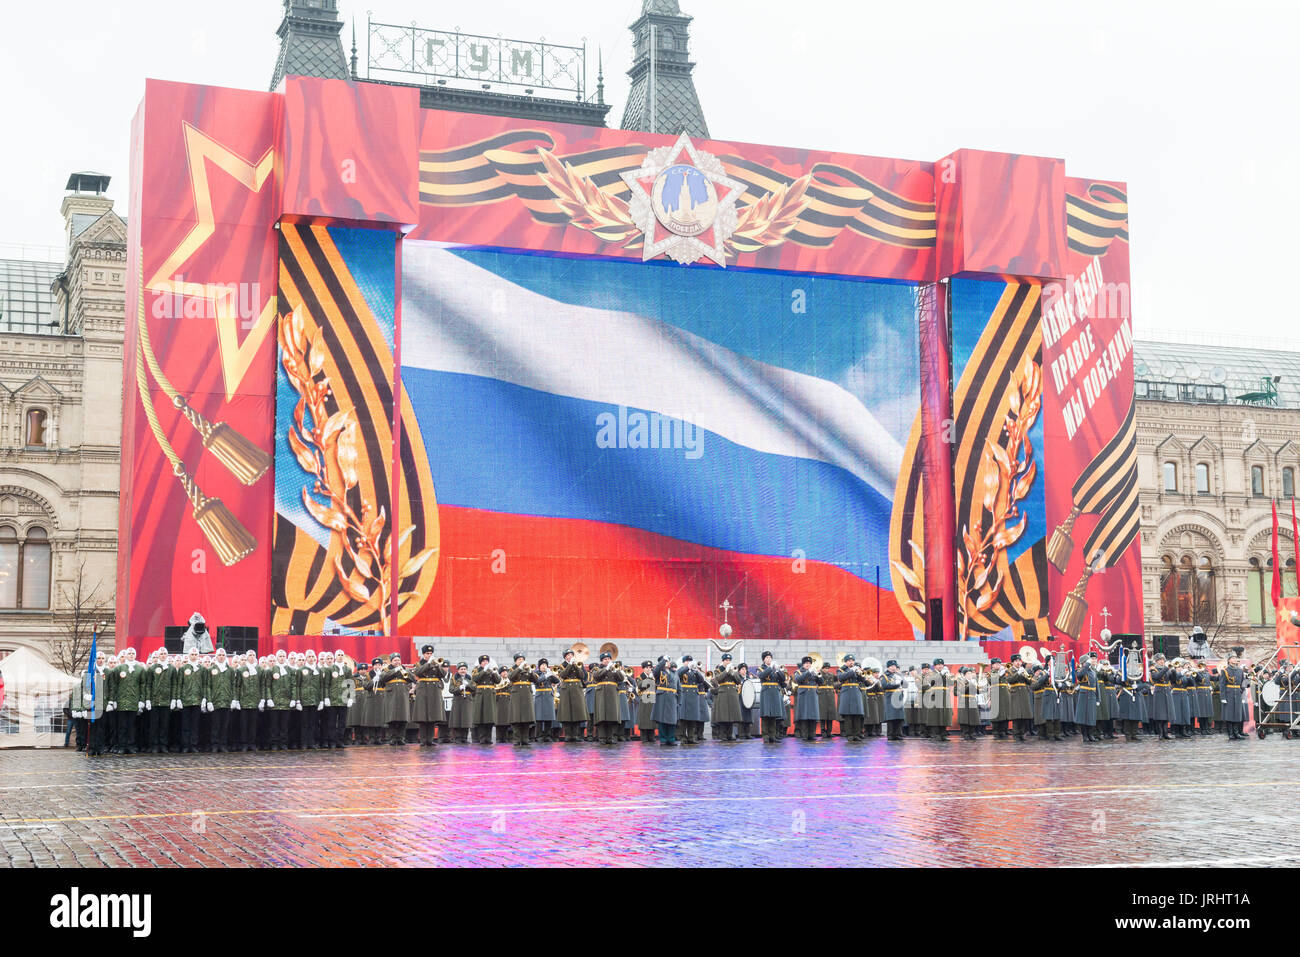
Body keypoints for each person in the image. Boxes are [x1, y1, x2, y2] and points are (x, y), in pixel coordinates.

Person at [411, 645, 446, 747]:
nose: (429, 655)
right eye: (427, 654)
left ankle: (430, 740)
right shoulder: (419, 663)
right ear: (423, 654)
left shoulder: (436, 664)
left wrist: (437, 665)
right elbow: (417, 672)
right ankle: (423, 740)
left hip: (434, 692)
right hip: (423, 691)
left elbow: (443, 674)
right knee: (423, 717)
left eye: (430, 654)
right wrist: (428, 664)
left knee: (432, 717)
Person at [377, 653, 412, 746]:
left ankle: (400, 738)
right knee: (391, 718)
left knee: (403, 718)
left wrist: (403, 671)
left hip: (402, 695)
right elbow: (382, 678)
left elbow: (412, 678)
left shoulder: (405, 669)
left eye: (398, 660)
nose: (397, 662)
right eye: (395, 660)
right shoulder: (386, 669)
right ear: (391, 661)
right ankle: (392, 738)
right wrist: (396, 670)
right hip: (391, 695)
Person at [264, 649, 294, 751]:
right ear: (277, 658)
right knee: (274, 725)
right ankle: (274, 743)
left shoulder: (290, 670)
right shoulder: (271, 670)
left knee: (284, 725)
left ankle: (283, 743)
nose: (281, 658)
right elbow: (267, 686)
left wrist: (293, 699)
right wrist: (269, 698)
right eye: (280, 656)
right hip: (275, 703)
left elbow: (293, 685)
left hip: (286, 702)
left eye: (283, 656)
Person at [208, 648, 237, 752]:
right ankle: (215, 745)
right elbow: (208, 686)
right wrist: (209, 700)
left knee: (225, 725)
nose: (221, 657)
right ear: (216, 656)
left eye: (223, 655)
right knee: (215, 725)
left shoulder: (230, 670)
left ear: (225, 657)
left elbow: (234, 685)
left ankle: (223, 744)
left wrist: (234, 699)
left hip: (226, 701)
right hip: (215, 701)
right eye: (219, 655)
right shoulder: (211, 669)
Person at [590, 652, 622, 745]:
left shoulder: (614, 668)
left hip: (612, 694)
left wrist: (616, 671)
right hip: (601, 694)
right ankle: (602, 737)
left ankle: (611, 737)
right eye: (605, 659)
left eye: (608, 659)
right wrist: (606, 669)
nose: (607, 660)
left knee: (612, 717)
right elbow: (596, 676)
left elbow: (621, 678)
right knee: (602, 717)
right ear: (602, 661)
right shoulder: (598, 668)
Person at [556, 650, 587, 743]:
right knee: (567, 713)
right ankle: (568, 735)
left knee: (577, 713)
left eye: (572, 655)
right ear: (565, 657)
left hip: (577, 689)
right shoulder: (561, 666)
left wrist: (576, 666)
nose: (570, 656)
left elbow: (582, 676)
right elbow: (562, 675)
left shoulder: (578, 665)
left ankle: (576, 734)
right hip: (566, 690)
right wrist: (570, 665)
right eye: (568, 655)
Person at [711, 654, 743, 741]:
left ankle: (730, 734)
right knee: (724, 715)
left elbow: (738, 681)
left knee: (731, 715)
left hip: (732, 693)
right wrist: (726, 671)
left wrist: (732, 672)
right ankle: (723, 735)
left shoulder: (733, 670)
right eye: (726, 660)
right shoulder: (718, 670)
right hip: (723, 693)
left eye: (729, 660)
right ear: (723, 661)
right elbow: (718, 679)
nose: (728, 662)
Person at [508, 653, 536, 747]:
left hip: (527, 695)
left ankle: (525, 739)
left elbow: (536, 680)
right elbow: (511, 677)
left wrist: (531, 671)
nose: (521, 661)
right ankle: (517, 739)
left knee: (526, 718)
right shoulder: (512, 669)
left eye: (522, 659)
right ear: (515, 661)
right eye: (519, 659)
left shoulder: (527, 669)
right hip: (516, 695)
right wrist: (519, 668)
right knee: (517, 718)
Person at [757, 652, 787, 743]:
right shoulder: (761, 668)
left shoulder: (775, 668)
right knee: (766, 715)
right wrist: (770, 668)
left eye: (770, 657)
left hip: (775, 692)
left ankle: (772, 735)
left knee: (774, 715)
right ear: (763, 659)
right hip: (766, 692)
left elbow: (783, 679)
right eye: (767, 658)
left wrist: (778, 670)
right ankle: (765, 735)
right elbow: (762, 676)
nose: (769, 659)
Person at [835, 655, 865, 741]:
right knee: (848, 715)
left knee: (857, 715)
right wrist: (852, 671)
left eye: (852, 660)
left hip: (856, 693)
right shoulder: (841, 670)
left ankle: (857, 734)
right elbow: (841, 678)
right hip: (847, 693)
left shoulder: (857, 669)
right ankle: (849, 735)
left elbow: (862, 680)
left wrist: (860, 673)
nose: (851, 662)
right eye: (849, 661)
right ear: (845, 662)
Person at [677, 655, 705, 745]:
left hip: (693, 696)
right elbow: (677, 674)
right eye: (687, 661)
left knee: (692, 718)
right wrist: (687, 667)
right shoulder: (681, 669)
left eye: (690, 661)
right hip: (685, 695)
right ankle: (682, 737)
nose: (689, 662)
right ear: (684, 662)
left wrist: (696, 671)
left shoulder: (694, 671)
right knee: (683, 719)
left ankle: (691, 737)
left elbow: (701, 680)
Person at [652, 656, 680, 746]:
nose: (668, 663)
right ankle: (663, 739)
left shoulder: (674, 673)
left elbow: (679, 688)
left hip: (672, 698)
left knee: (672, 720)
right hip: (662, 697)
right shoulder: (659, 672)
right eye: (666, 661)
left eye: (668, 661)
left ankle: (671, 739)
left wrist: (679, 701)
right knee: (662, 720)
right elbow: (655, 671)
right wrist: (663, 660)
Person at [1220, 653, 1247, 740]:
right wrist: (1223, 697)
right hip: (1229, 693)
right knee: (1229, 714)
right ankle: (1230, 733)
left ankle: (1236, 733)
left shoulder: (1240, 670)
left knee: (1237, 714)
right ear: (1229, 660)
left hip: (1238, 694)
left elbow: (1243, 683)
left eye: (1235, 658)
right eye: (1233, 658)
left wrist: (1242, 695)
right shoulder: (1225, 671)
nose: (1235, 659)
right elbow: (1222, 685)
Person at [792, 656, 820, 741]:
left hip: (812, 695)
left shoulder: (813, 671)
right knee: (804, 716)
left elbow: (821, 682)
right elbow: (798, 679)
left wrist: (818, 676)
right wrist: (808, 672)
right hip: (804, 695)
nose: (808, 665)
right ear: (803, 664)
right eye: (806, 663)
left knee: (813, 715)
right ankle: (804, 735)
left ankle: (812, 734)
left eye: (809, 663)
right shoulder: (798, 672)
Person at [1074, 654, 1100, 741]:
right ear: (1083, 663)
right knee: (1083, 717)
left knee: (1091, 717)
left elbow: (1097, 686)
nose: (1091, 661)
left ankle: (1090, 734)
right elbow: (1080, 675)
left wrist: (1098, 698)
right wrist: (1087, 664)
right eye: (1088, 661)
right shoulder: (1079, 670)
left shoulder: (1093, 672)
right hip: (1084, 695)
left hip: (1092, 695)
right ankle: (1084, 735)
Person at [448, 662, 473, 743]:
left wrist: (468, 685)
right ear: (458, 670)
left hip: (467, 701)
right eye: (461, 669)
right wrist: (459, 688)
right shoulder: (454, 678)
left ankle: (464, 738)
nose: (463, 671)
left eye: (464, 669)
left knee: (466, 720)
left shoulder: (469, 678)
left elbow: (475, 688)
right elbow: (451, 689)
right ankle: (458, 738)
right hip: (458, 701)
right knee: (457, 720)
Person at [881, 660, 905, 741]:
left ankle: (898, 734)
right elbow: (884, 685)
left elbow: (904, 684)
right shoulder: (884, 676)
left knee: (899, 717)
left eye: (895, 666)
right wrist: (896, 684)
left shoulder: (898, 675)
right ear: (888, 667)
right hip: (890, 697)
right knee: (891, 718)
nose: (893, 667)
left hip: (898, 697)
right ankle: (891, 735)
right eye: (892, 666)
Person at [636, 661, 657, 744]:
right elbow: (640, 685)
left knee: (651, 718)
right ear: (643, 668)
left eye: (650, 667)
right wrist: (649, 679)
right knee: (644, 718)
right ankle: (644, 737)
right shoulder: (640, 677)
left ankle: (651, 736)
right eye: (646, 668)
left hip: (652, 698)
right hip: (644, 698)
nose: (649, 669)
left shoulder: (654, 677)